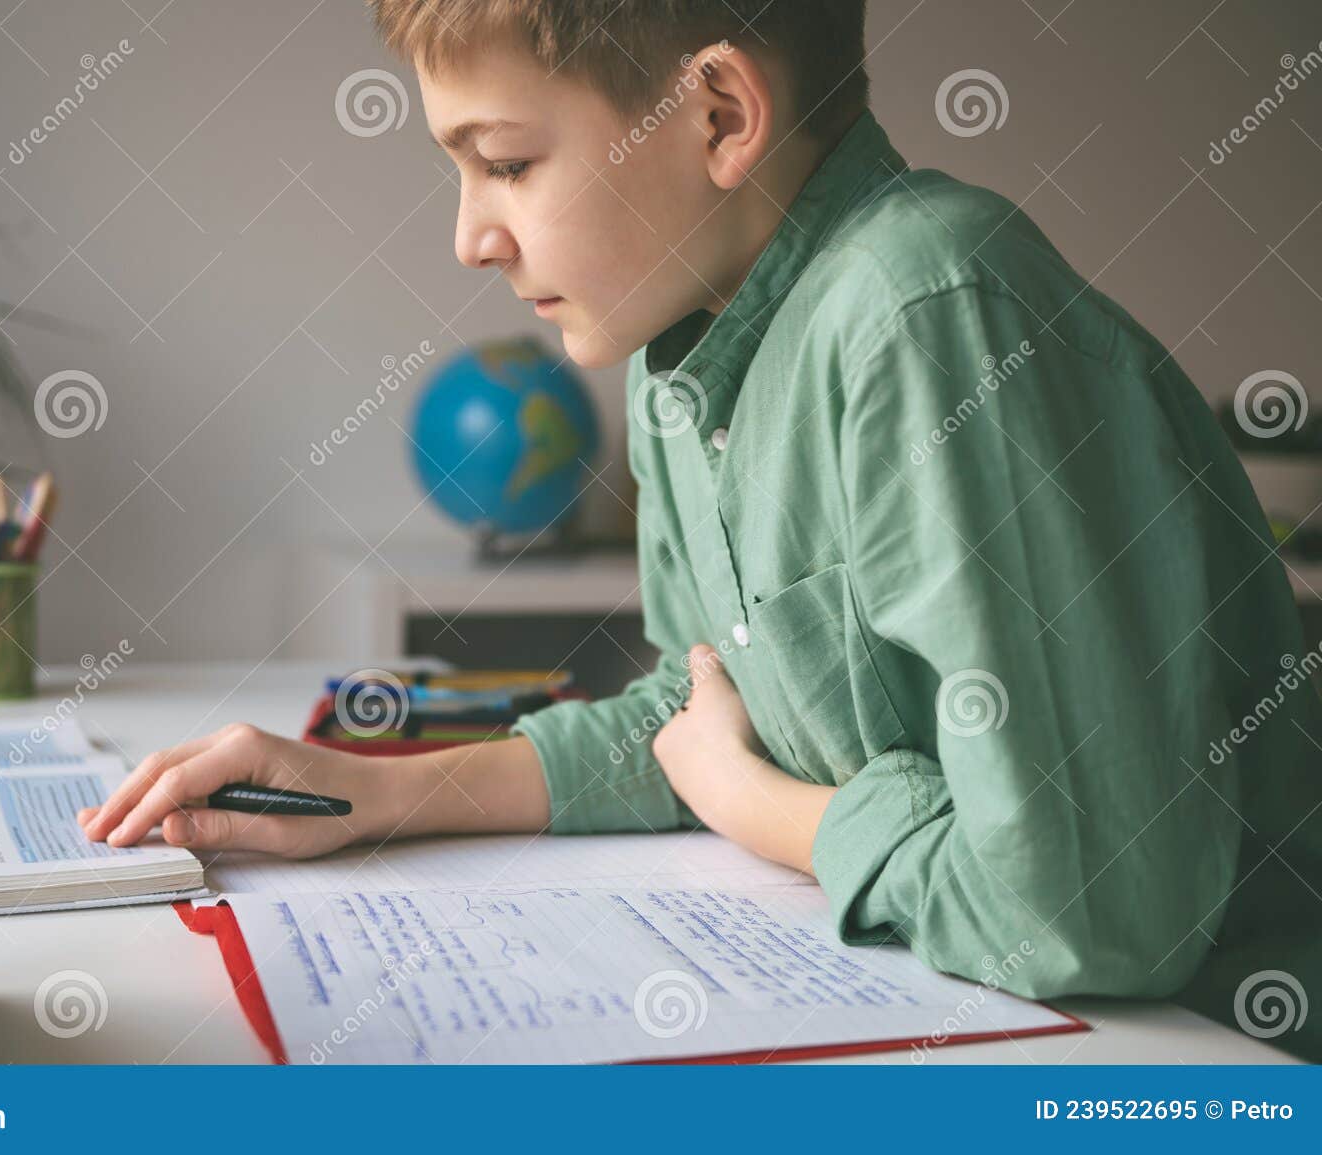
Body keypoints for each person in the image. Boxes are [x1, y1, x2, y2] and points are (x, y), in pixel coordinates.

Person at [82, 1, 1322, 1060]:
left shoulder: (928, 310)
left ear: (719, 115)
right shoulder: (677, 351)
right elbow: (697, 717)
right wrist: (376, 793)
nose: (468, 236)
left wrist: (758, 805)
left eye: (505, 162)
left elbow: (1089, 911)